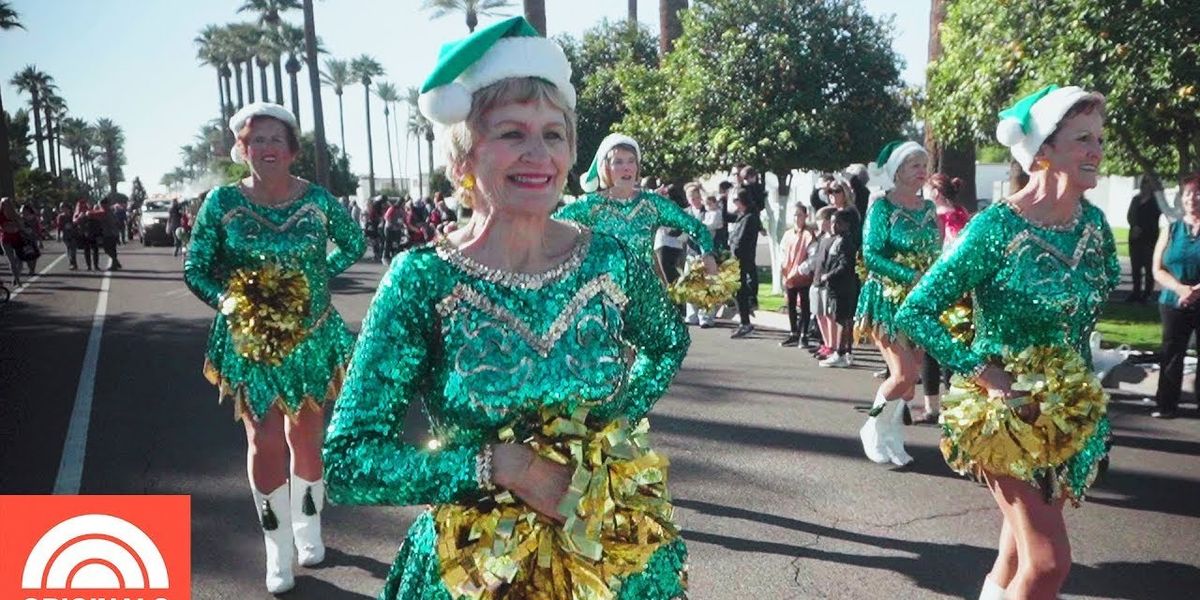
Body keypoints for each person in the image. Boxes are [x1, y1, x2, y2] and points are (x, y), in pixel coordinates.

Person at [323, 17, 689, 599]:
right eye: (512, 133)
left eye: (553, 133)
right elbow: (349, 460)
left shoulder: (610, 259)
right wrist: (501, 467)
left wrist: (608, 432)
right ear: (464, 155)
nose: (538, 154)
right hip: (476, 573)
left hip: (606, 554)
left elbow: (668, 339)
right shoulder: (422, 279)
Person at [895, 85, 1120, 600]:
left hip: (1065, 409)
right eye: (1082, 138)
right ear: (1043, 149)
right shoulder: (995, 228)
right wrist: (985, 373)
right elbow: (917, 310)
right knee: (1047, 565)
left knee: (1016, 553)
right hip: (1007, 416)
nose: (1096, 151)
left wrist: (1089, 407)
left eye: (1100, 139)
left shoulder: (1096, 228)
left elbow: (1081, 325)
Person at [183, 102, 366, 593]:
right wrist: (227, 300)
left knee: (306, 436)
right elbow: (196, 268)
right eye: (255, 140)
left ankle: (309, 529)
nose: (265, 148)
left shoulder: (319, 200)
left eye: (274, 140)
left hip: (309, 337)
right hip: (251, 340)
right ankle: (277, 548)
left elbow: (353, 241)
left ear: (291, 150)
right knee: (262, 440)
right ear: (242, 149)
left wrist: (314, 282)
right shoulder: (221, 203)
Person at [854, 140, 941, 467]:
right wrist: (909, 275)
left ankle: (892, 435)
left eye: (924, 164)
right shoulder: (882, 207)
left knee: (909, 382)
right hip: (886, 299)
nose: (922, 171)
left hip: (917, 302)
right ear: (897, 170)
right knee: (903, 375)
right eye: (914, 164)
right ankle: (872, 425)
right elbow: (873, 255)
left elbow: (934, 251)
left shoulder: (929, 208)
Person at [555, 133, 717, 287]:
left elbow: (697, 228)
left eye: (631, 161)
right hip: (605, 298)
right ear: (606, 168)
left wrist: (708, 254)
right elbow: (548, 227)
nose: (626, 168)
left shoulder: (652, 203)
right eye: (618, 162)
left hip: (648, 298)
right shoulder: (590, 206)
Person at [1150, 172, 1200, 419]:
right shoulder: (1171, 228)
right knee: (1171, 354)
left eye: (1198, 192)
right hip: (1173, 302)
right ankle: (1166, 405)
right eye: (1188, 193)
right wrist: (1181, 289)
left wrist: (1196, 291)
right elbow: (1157, 268)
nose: (1193, 198)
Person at [728, 189, 764, 338]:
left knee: (739, 290)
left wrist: (733, 246)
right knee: (737, 290)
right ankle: (744, 319)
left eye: (736, 200)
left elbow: (741, 240)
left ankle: (745, 322)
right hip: (739, 258)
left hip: (742, 258)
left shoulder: (749, 218)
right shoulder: (742, 217)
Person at [778, 203, 815, 346]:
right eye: (794, 215)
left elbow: (813, 255)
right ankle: (793, 332)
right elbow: (782, 251)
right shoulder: (788, 234)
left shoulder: (809, 234)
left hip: (803, 276)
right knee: (791, 304)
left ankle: (804, 334)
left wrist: (802, 269)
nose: (796, 218)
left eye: (799, 214)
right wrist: (784, 268)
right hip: (789, 275)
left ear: (805, 216)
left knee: (805, 304)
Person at [683, 182, 715, 327]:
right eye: (692, 198)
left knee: (706, 285)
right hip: (691, 252)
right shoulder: (685, 213)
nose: (695, 201)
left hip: (705, 253)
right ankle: (692, 314)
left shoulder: (707, 211)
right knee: (690, 284)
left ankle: (706, 316)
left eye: (697, 197)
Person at [1127, 175, 1163, 302]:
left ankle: (1147, 294)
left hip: (1150, 237)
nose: (1146, 185)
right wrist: (1134, 226)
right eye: (1144, 182)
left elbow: (1155, 217)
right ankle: (1135, 292)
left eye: (1149, 182)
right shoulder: (1136, 199)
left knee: (1149, 267)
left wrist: (1143, 228)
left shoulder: (1156, 201)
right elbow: (1130, 215)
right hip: (1135, 237)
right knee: (1135, 267)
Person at [809, 206, 838, 356]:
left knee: (829, 316)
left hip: (827, 283)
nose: (819, 224)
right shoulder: (821, 239)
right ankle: (826, 343)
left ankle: (832, 345)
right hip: (816, 281)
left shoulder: (835, 239)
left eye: (821, 220)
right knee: (819, 314)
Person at [0, 197, 27, 285]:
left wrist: (16, 225)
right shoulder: (1, 215)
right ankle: (16, 279)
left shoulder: (15, 215)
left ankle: (17, 276)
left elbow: (20, 226)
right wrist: (14, 225)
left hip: (17, 239)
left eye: (8, 204)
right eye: (4, 204)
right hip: (6, 240)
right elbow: (6, 228)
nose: (6, 206)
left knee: (19, 261)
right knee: (11, 261)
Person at [74, 199, 101, 272]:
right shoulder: (80, 214)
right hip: (85, 234)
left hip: (93, 234)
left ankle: (95, 265)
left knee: (94, 250)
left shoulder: (93, 213)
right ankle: (89, 266)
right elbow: (75, 222)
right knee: (87, 251)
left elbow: (98, 222)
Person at [56, 202, 79, 270]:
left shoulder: (73, 215)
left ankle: (73, 263)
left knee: (73, 249)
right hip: (66, 235)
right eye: (62, 208)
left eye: (64, 207)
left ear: (68, 208)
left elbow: (77, 223)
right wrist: (58, 235)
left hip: (73, 234)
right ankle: (72, 263)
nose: (63, 209)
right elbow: (59, 227)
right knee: (69, 249)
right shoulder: (60, 217)